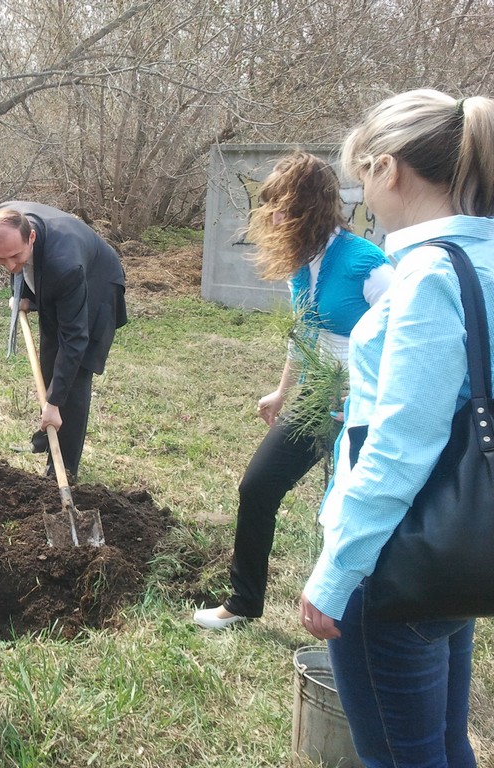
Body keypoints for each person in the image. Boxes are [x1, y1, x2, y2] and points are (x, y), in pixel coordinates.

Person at [300, 89, 494, 766]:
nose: (363, 199)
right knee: (443, 742)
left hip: (395, 556)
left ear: (389, 169)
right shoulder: (485, 260)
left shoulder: (429, 276)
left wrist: (336, 574)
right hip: (457, 538)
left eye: (362, 179)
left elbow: (402, 444)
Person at [194, 152, 393, 630]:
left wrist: (363, 396)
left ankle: (361, 613)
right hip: (317, 399)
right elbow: (303, 333)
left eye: (281, 207)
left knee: (351, 510)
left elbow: (404, 341)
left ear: (311, 207)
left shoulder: (367, 265)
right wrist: (283, 392)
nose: (273, 217)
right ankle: (243, 603)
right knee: (258, 487)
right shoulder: (301, 263)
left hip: (367, 406)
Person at [0, 202, 127, 479]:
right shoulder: (7, 218)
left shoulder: (65, 266)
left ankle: (64, 468)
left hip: (98, 283)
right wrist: (28, 297)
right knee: (50, 361)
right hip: (62, 278)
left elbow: (75, 340)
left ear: (32, 237)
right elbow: (21, 265)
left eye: (15, 256)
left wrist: (54, 403)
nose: (10, 266)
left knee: (75, 376)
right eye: (0, 259)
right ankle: (47, 436)